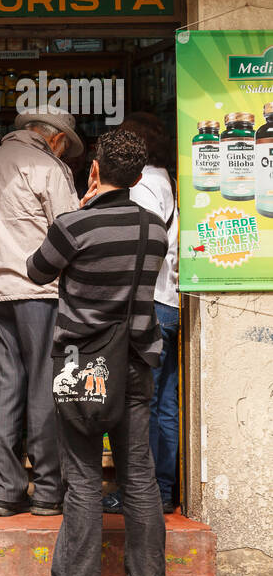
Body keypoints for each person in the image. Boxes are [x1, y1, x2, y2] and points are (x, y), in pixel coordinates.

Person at [23, 128, 168, 576]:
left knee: (82, 478)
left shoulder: (75, 226)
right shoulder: (154, 229)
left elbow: (37, 271)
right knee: (140, 478)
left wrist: (81, 212)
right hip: (136, 362)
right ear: (139, 176)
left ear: (95, 171)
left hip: (80, 365)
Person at [0, 108, 81, 517]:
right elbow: (69, 233)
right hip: (40, 291)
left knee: (6, 387)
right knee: (43, 388)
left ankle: (5, 493)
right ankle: (48, 490)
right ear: (55, 139)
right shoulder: (46, 167)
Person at [105, 113, 180, 516]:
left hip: (151, 304)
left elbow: (143, 243)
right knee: (164, 403)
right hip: (169, 300)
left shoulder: (144, 186)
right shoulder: (165, 180)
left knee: (142, 404)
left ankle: (141, 492)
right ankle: (163, 491)